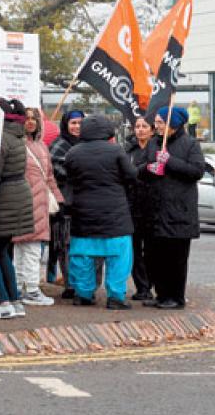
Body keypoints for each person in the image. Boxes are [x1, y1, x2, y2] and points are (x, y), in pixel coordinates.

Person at [63, 115, 137, 309]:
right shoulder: (116, 151)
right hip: (115, 213)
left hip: (83, 212)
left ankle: (83, 294)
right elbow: (131, 176)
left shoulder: (73, 153)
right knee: (118, 256)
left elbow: (68, 178)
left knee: (82, 256)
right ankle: (115, 297)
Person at [139, 106, 204, 309]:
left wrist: (170, 162)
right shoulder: (153, 143)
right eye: (156, 122)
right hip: (154, 211)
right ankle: (161, 295)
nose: (156, 126)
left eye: (160, 122)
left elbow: (197, 171)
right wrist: (149, 169)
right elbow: (140, 169)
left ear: (174, 124)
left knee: (175, 259)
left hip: (179, 212)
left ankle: (175, 297)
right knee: (153, 257)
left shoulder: (190, 144)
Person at [0, 98, 36, 320]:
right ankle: (14, 300)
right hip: (18, 196)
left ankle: (3, 301)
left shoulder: (1, 139)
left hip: (4, 198)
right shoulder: (17, 135)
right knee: (2, 251)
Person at [13, 107, 64, 306]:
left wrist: (57, 198)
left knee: (30, 248)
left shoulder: (42, 146)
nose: (31, 122)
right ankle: (29, 289)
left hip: (40, 202)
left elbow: (49, 176)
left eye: (35, 119)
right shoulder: (18, 145)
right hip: (23, 201)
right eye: (27, 118)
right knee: (25, 249)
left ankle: (23, 287)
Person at [48, 109, 84, 298]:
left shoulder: (88, 144)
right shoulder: (59, 145)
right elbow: (57, 169)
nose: (77, 127)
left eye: (80, 123)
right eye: (73, 123)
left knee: (82, 245)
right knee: (65, 245)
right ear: (66, 124)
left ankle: (82, 283)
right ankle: (70, 283)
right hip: (65, 203)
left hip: (85, 203)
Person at [125, 115, 156, 301]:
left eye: (145, 126)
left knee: (151, 250)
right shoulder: (129, 151)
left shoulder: (157, 148)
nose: (140, 130)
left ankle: (151, 283)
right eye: (137, 126)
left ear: (152, 129)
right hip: (132, 205)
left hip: (152, 206)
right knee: (134, 249)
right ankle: (142, 287)